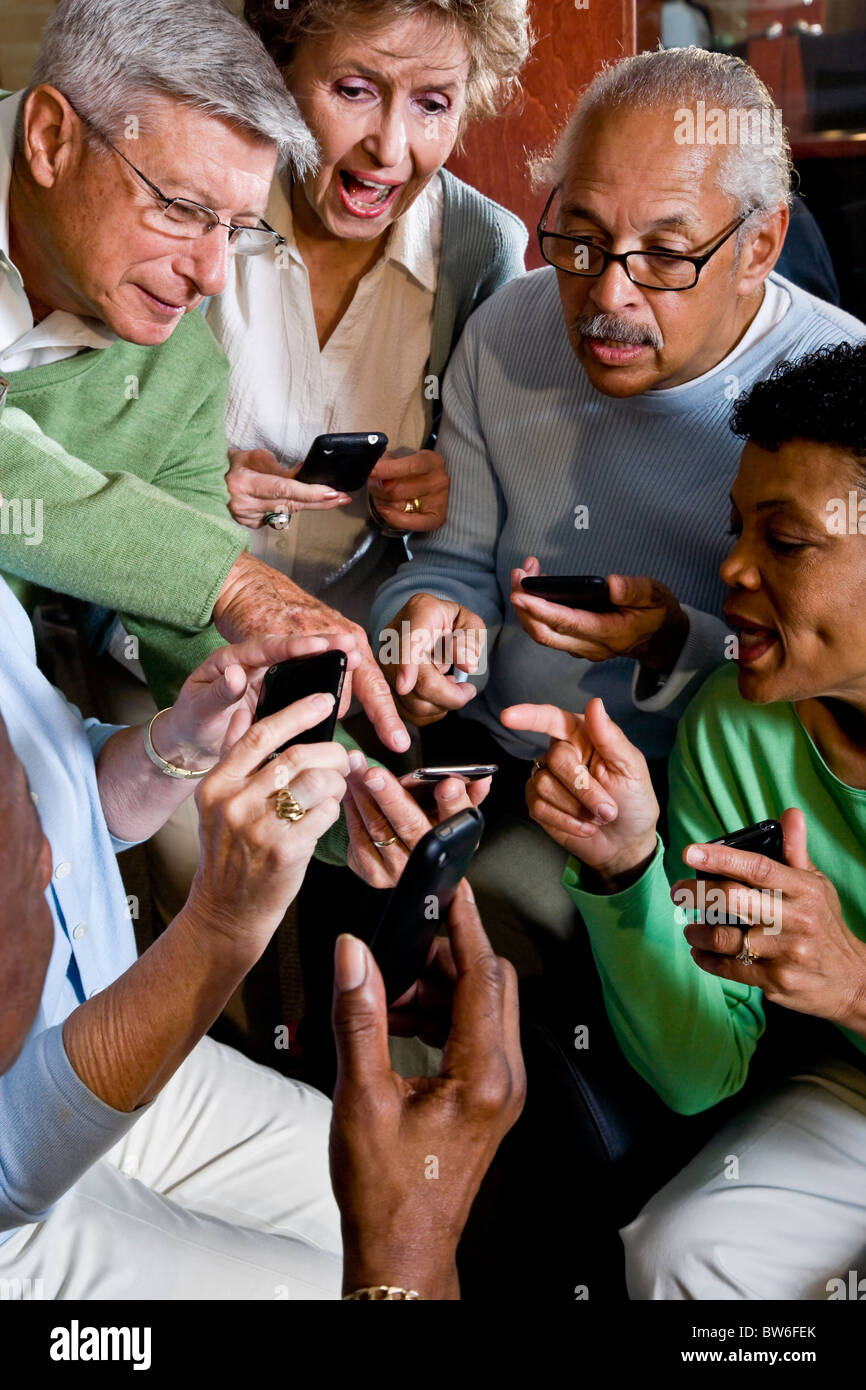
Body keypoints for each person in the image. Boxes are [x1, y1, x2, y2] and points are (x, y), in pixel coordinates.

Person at [369, 46, 865, 964]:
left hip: (721, 798)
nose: (606, 296)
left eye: (666, 257)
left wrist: (675, 640)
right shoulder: (509, 334)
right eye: (581, 239)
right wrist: (431, 630)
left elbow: (839, 678)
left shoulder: (832, 395)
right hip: (510, 764)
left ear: (760, 245)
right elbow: (452, 567)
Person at [0, 571, 523, 1299]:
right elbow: (9, 1163)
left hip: (106, 1021)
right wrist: (223, 924)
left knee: (343, 1175)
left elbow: (59, 779)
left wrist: (179, 744)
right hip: (16, 1179)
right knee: (328, 1279)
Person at [516, 341, 866, 1300]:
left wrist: (854, 986)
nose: (733, 568)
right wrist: (627, 869)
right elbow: (699, 1073)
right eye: (737, 529)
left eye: (784, 541)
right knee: (679, 1254)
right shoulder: (735, 724)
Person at [0, 0, 406, 755]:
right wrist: (231, 580)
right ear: (51, 139)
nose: (213, 276)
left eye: (238, 227)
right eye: (182, 209)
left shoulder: (182, 364)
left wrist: (347, 790)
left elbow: (194, 633)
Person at [208, 0, 530, 634]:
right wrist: (196, 479)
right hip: (164, 655)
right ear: (278, 70)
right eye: (353, 91)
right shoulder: (197, 196)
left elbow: (477, 543)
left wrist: (442, 499)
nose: (389, 146)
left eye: (432, 104)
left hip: (356, 664)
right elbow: (91, 448)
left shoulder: (480, 252)